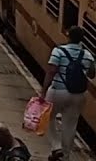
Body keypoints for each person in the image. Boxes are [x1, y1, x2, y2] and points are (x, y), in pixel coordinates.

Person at [41, 26, 95, 161]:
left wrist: (43, 91)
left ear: (68, 36)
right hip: (78, 95)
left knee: (46, 117)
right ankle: (65, 157)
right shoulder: (88, 55)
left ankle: (56, 146)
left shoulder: (58, 51)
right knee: (70, 125)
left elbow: (51, 71)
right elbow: (92, 74)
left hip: (58, 91)